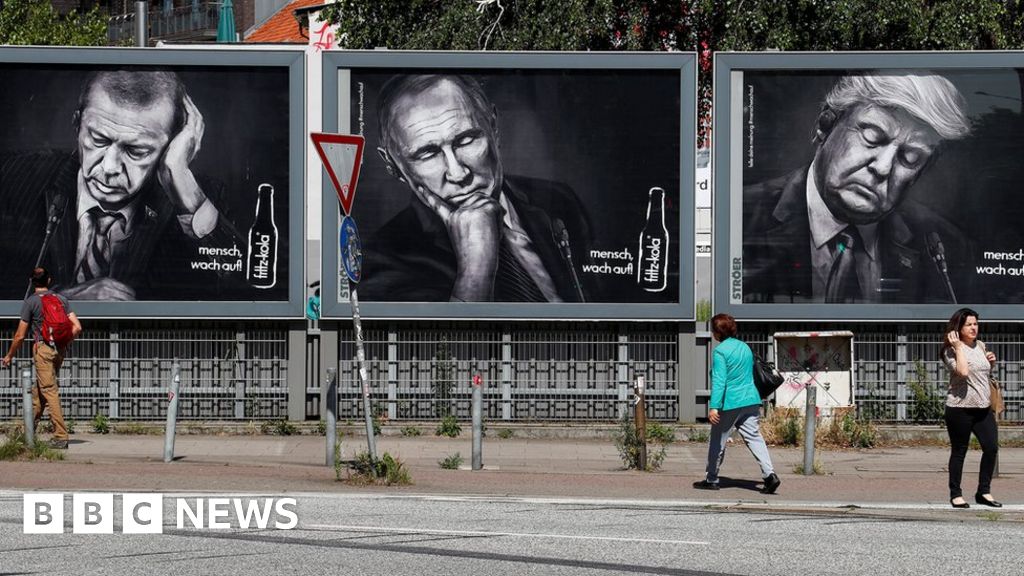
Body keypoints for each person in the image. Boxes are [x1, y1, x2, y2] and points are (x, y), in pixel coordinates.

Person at [0, 70, 243, 302]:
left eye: (136, 150)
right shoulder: (13, 177)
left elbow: (251, 293)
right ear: (77, 125)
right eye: (98, 140)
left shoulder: (199, 200)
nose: (109, 167)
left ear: (171, 147)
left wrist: (187, 196)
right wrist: (64, 301)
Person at [360, 74, 596, 302]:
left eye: (465, 140)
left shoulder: (558, 201)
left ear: (493, 126)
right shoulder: (383, 259)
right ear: (393, 167)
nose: (458, 173)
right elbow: (445, 343)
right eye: (428, 154)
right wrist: (476, 268)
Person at [742, 71, 973, 304]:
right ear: (825, 124)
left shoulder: (946, 247)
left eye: (910, 157)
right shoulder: (742, 217)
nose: (883, 168)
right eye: (872, 136)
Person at [693, 313, 780, 494]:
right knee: (754, 438)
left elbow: (719, 381)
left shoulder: (720, 352)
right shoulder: (745, 347)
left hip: (731, 402)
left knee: (718, 440)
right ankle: (769, 475)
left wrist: (714, 407)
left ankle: (712, 479)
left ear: (717, 332)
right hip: (751, 400)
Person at [2, 267, 82, 449]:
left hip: (42, 350)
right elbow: (77, 327)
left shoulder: (30, 302)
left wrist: (9, 355)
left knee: (49, 390)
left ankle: (61, 436)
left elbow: (20, 335)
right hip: (59, 350)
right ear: (49, 280)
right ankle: (27, 432)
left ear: (32, 282)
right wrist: (64, 343)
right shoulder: (61, 299)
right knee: (40, 392)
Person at [941, 307, 1001, 509]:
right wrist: (958, 346)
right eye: (969, 324)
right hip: (960, 408)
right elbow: (964, 372)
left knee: (991, 448)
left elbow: (981, 373)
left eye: (976, 324)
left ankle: (983, 491)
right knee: (959, 451)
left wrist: (990, 363)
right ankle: (955, 494)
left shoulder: (981, 345)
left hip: (983, 407)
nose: (974, 328)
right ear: (958, 327)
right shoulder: (949, 351)